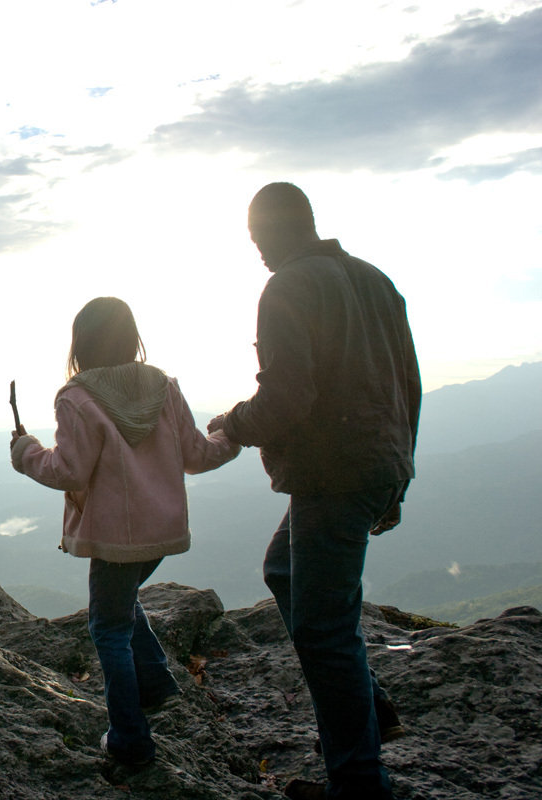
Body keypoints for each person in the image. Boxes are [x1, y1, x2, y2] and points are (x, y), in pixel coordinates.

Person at [209, 183, 421, 800]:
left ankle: (357, 782)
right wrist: (398, 471)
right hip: (375, 462)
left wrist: (233, 424)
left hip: (334, 474)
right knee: (282, 569)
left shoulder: (288, 287)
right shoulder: (375, 280)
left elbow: (288, 397)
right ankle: (371, 712)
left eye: (257, 240)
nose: (259, 254)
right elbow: (407, 381)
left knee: (325, 631)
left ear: (273, 231)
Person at [10, 296, 240, 769]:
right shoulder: (164, 387)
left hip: (114, 537)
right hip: (161, 531)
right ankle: (154, 683)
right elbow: (197, 455)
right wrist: (232, 435)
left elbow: (69, 471)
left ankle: (130, 741)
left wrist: (26, 451)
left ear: (81, 344)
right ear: (131, 338)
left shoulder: (77, 397)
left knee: (107, 627)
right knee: (123, 603)